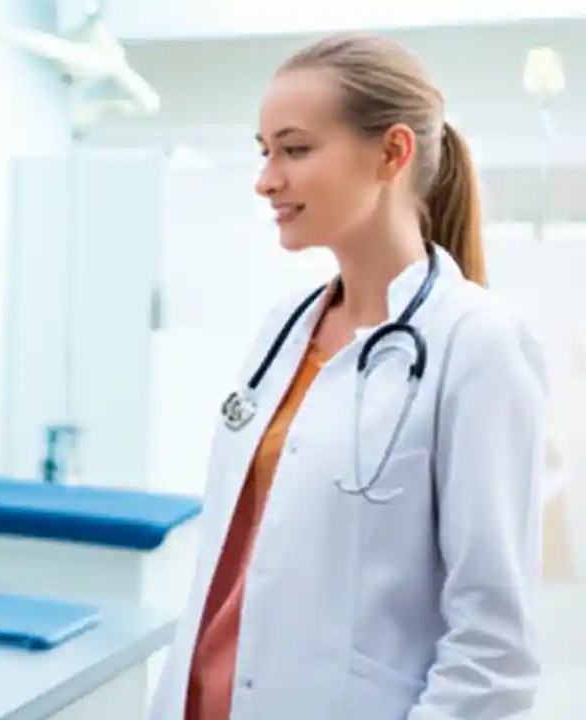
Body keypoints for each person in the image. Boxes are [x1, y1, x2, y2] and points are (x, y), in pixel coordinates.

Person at [148, 34, 547, 720]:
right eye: (264, 150)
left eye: (295, 149)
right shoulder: (282, 327)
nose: (266, 179)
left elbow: (493, 650)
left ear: (392, 152)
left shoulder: (477, 345)